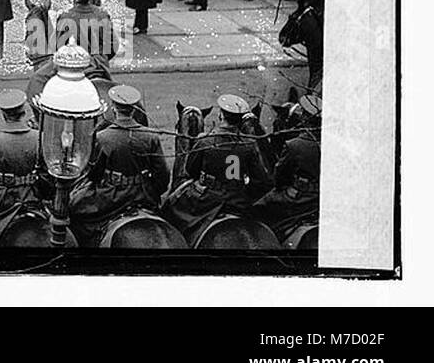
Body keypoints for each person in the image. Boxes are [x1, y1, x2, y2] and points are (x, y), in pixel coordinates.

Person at [68, 86, 170, 245]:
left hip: (110, 197)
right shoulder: (151, 136)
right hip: (143, 194)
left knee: (74, 211)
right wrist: (153, 190)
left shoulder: (102, 138)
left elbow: (94, 175)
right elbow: (162, 175)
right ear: (134, 110)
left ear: (114, 108)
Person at [165, 93, 273, 240]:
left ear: (221, 115)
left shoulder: (205, 140)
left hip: (207, 200)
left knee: (170, 210)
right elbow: (261, 181)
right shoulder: (249, 144)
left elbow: (190, 170)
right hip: (239, 199)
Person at [0, 91, 46, 245]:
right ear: (24, 113)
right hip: (32, 195)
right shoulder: (39, 137)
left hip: (1, 200)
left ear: (4, 115)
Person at [254, 93, 321, 237]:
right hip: (322, 196)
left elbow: (280, 176)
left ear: (304, 117)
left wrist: (280, 186)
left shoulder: (295, 145)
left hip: (301, 196)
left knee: (258, 207)